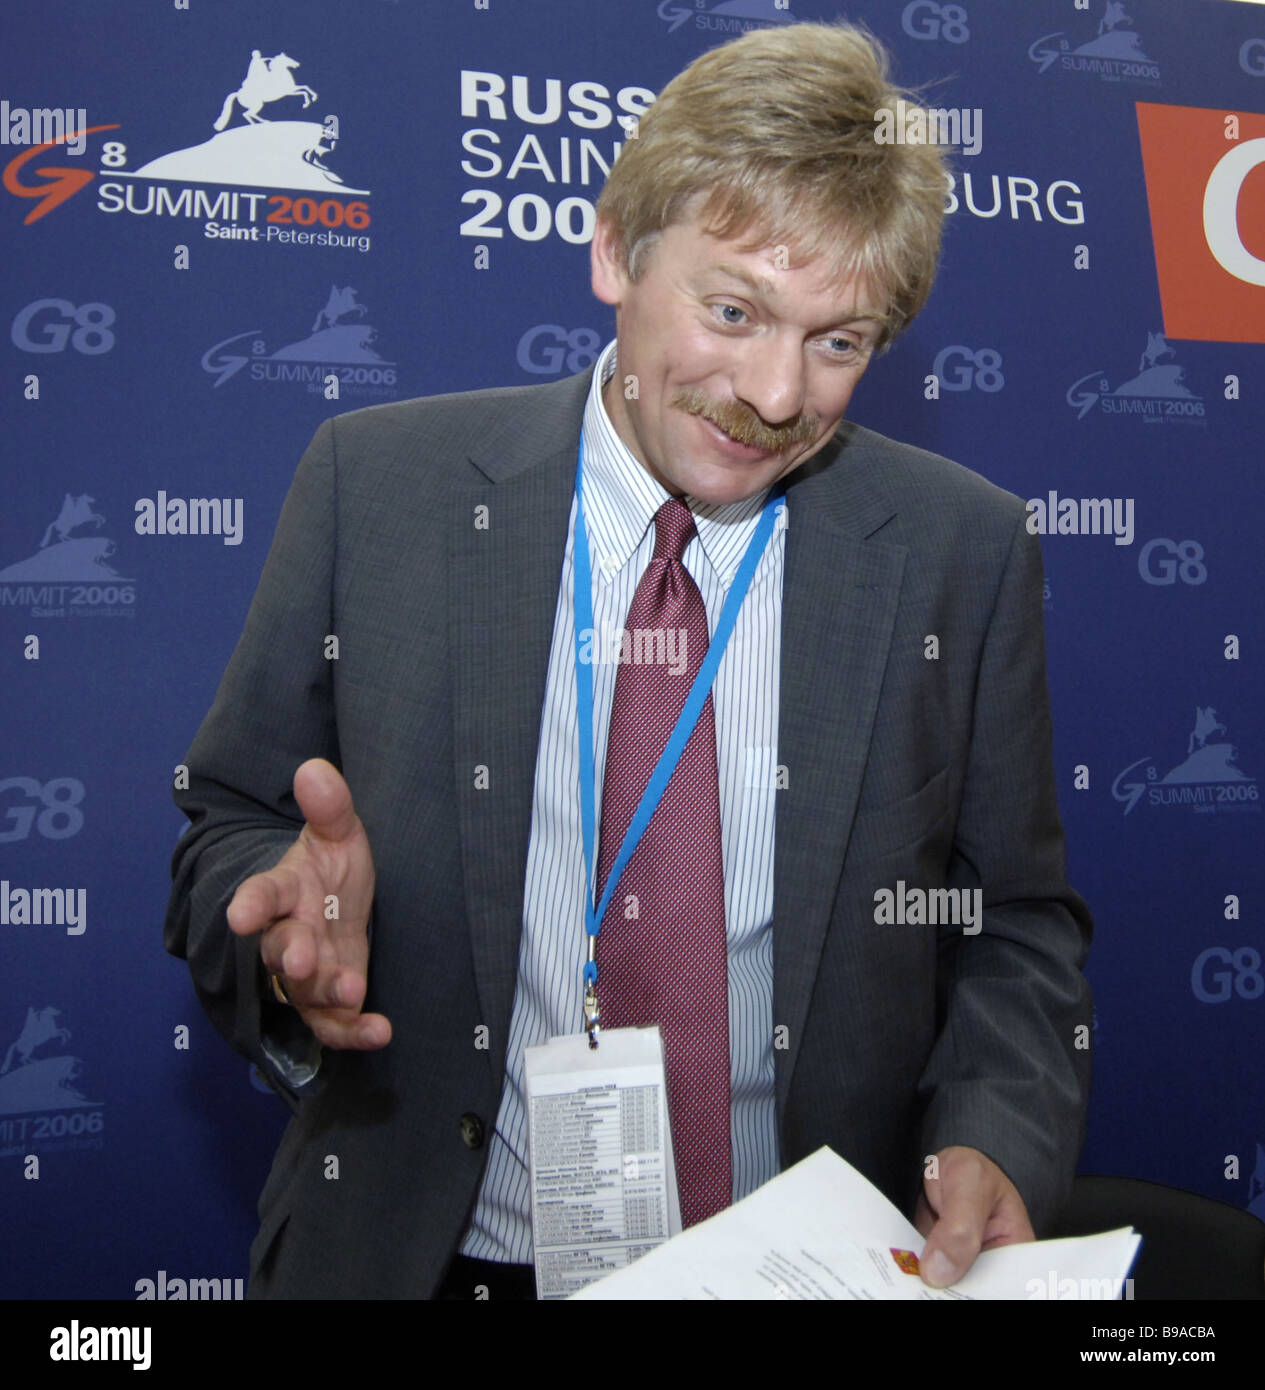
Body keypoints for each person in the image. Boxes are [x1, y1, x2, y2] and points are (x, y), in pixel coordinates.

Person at [165, 19, 1092, 1300]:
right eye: (732, 310)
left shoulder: (960, 549)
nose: (774, 393)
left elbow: (1010, 922)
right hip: (432, 1256)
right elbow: (234, 821)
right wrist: (277, 923)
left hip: (801, 1267)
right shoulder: (378, 489)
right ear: (613, 249)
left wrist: (995, 1123)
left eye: (839, 342)